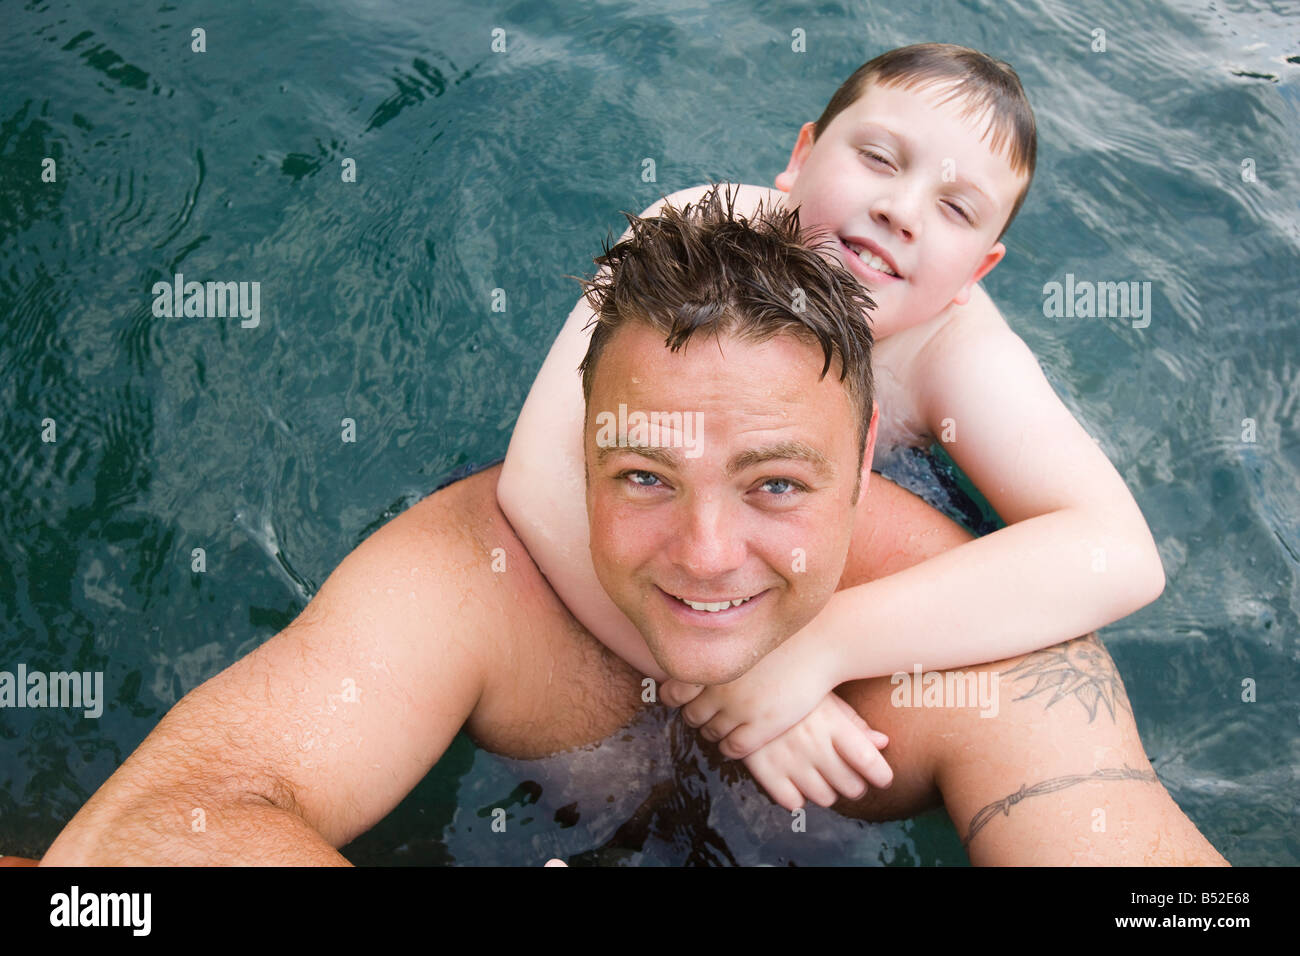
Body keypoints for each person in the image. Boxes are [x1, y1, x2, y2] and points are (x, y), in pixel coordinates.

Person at [32, 188, 1225, 866]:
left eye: (773, 485)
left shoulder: (978, 654)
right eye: (646, 474)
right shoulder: (480, 582)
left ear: (864, 466)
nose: (706, 557)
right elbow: (154, 837)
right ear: (582, 447)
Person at [497, 44, 1168, 809]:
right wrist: (723, 681)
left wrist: (821, 646)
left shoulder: (954, 352)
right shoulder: (686, 240)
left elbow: (1118, 553)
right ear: (802, 157)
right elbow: (540, 476)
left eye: (955, 209)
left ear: (977, 271)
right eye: (880, 158)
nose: (901, 210)